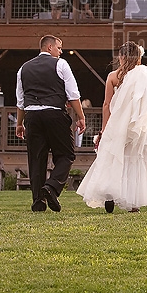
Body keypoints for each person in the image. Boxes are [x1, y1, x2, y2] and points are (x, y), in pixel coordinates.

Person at [77, 42, 147, 214]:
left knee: (112, 158)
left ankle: (109, 194)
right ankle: (133, 202)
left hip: (116, 124)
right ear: (138, 57)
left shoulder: (113, 76)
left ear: (121, 57)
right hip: (138, 127)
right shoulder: (146, 76)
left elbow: (107, 104)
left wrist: (103, 129)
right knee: (134, 160)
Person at [15, 35, 86, 213]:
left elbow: (21, 101)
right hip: (54, 113)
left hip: (32, 115)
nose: (61, 52)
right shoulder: (61, 64)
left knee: (36, 158)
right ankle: (52, 187)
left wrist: (19, 123)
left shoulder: (23, 68)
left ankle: (38, 201)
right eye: (59, 48)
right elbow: (73, 93)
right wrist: (81, 116)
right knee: (66, 155)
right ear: (49, 48)